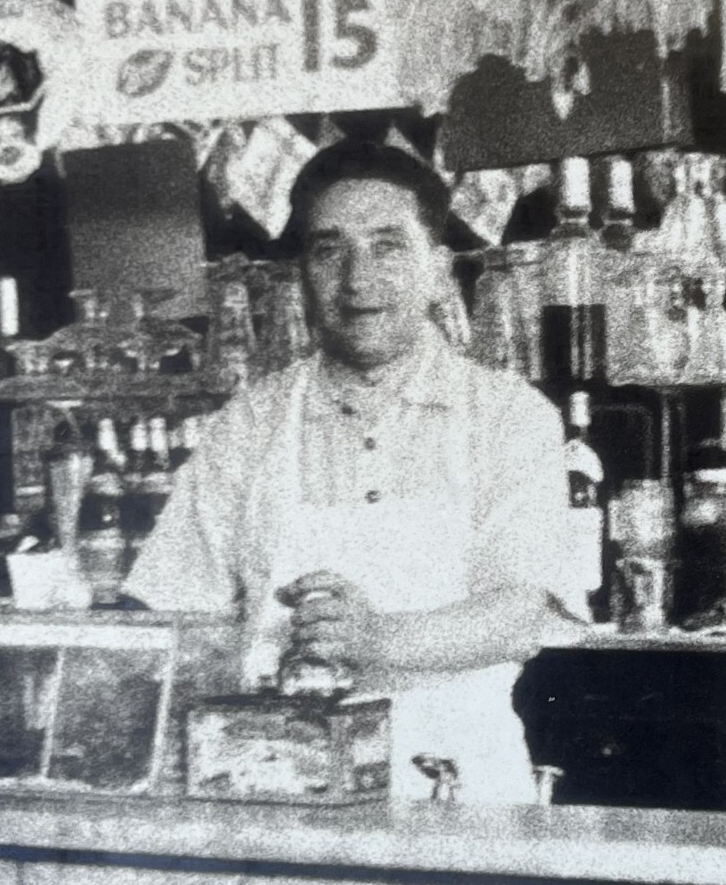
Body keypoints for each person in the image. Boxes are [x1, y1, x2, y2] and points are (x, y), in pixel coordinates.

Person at [124, 140, 577, 802]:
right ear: (303, 273)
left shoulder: (510, 416)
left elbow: (516, 615)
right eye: (329, 249)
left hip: (456, 793)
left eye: (388, 245)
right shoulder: (250, 423)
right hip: (273, 789)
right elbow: (177, 614)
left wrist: (375, 637)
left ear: (440, 268)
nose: (358, 279)